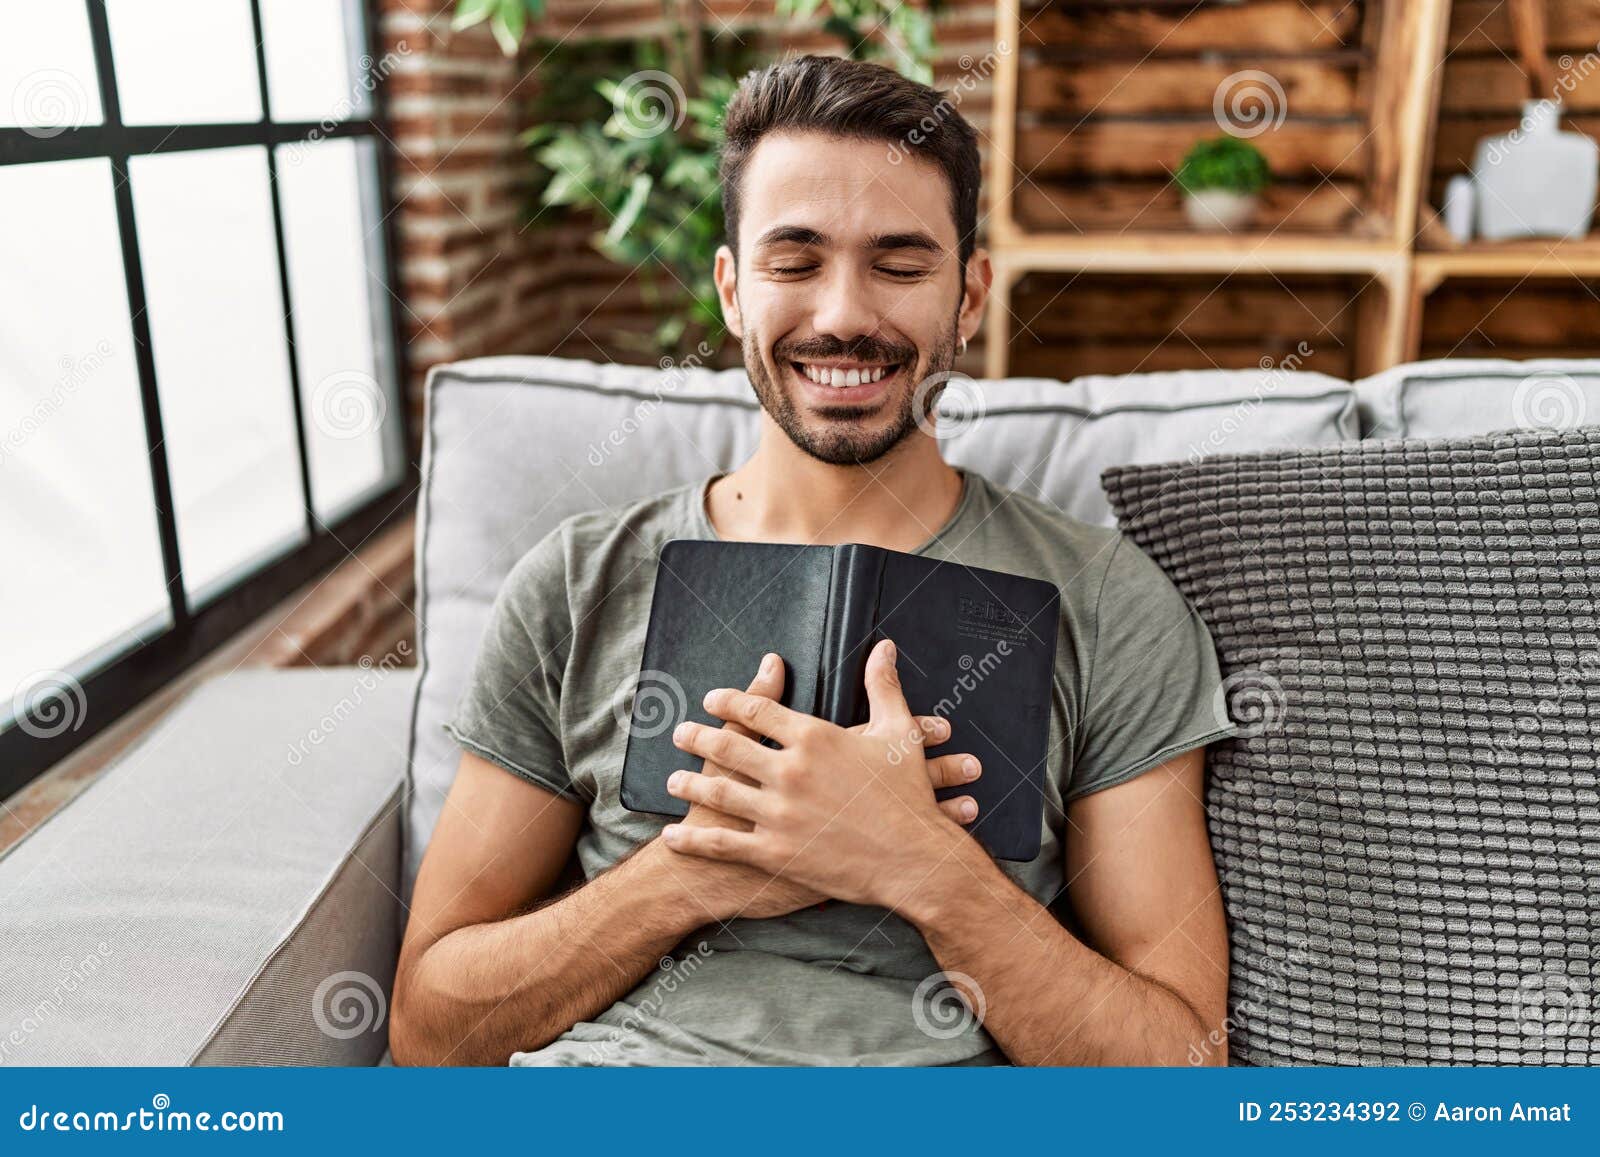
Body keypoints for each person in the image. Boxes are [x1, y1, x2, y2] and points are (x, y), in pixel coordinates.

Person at [391, 54, 1234, 1067]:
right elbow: (427, 1026)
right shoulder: (580, 580)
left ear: (968, 296)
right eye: (795, 260)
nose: (842, 312)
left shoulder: (1106, 602)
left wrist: (919, 864)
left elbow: (1181, 1066)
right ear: (733, 290)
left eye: (899, 262)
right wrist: (697, 870)